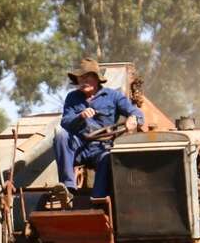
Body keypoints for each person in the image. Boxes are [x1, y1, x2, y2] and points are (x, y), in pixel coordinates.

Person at [53, 58, 144, 197]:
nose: (83, 81)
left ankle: (98, 198)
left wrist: (133, 119)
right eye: (80, 78)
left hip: (102, 147)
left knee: (108, 157)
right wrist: (80, 116)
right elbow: (65, 121)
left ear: (96, 78)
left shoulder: (114, 96)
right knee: (61, 135)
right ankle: (68, 188)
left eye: (87, 77)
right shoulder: (72, 97)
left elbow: (136, 113)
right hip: (79, 145)